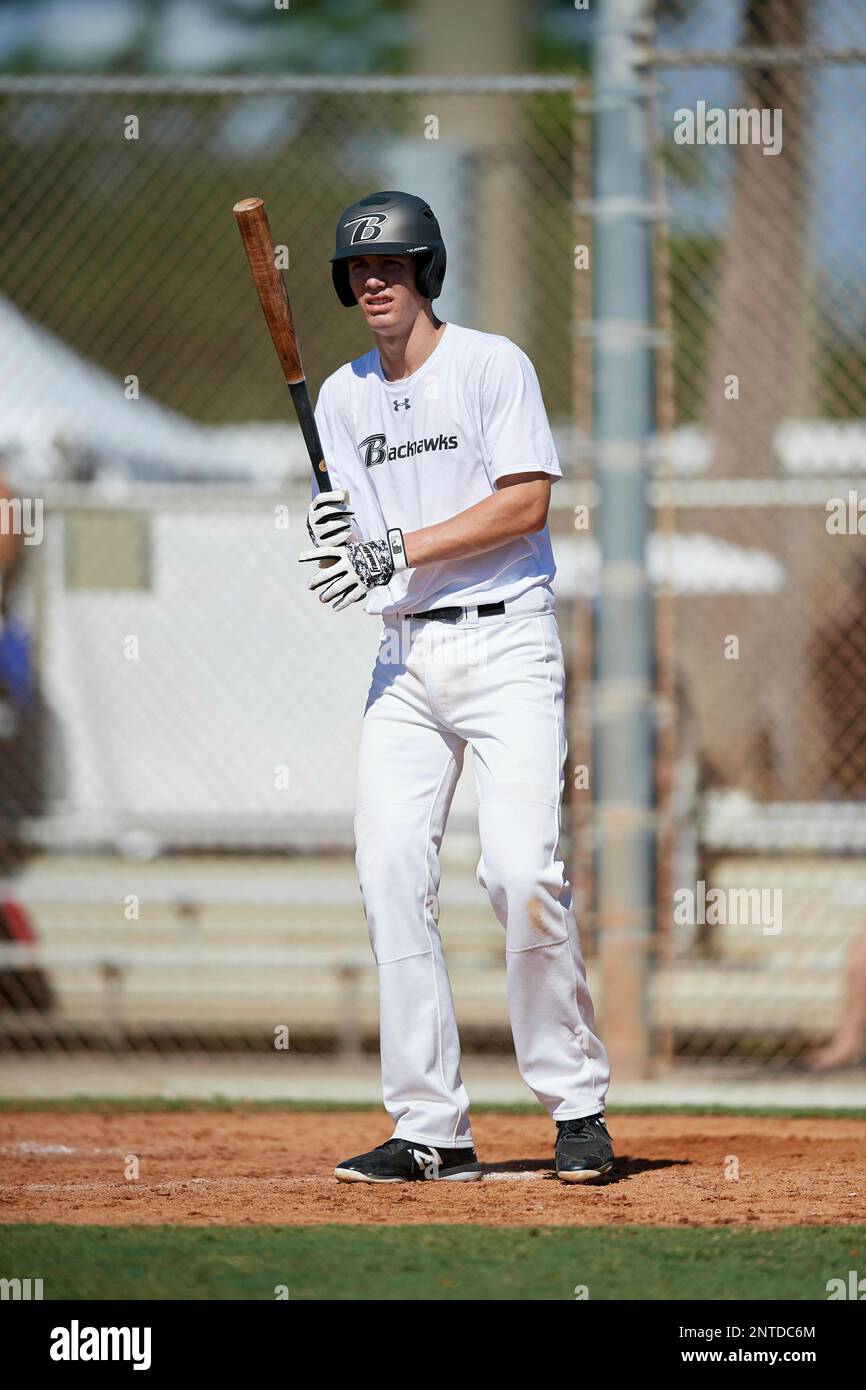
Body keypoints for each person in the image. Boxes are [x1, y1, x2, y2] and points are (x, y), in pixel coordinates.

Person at [299, 191, 612, 1184]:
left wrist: (400, 543)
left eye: (389, 265)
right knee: (390, 869)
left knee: (519, 875)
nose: (372, 282)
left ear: (426, 272)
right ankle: (429, 1125)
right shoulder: (342, 397)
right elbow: (366, 539)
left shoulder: (488, 364)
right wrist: (342, 546)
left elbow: (524, 503)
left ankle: (574, 1107)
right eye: (357, 270)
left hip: (506, 645)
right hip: (403, 657)